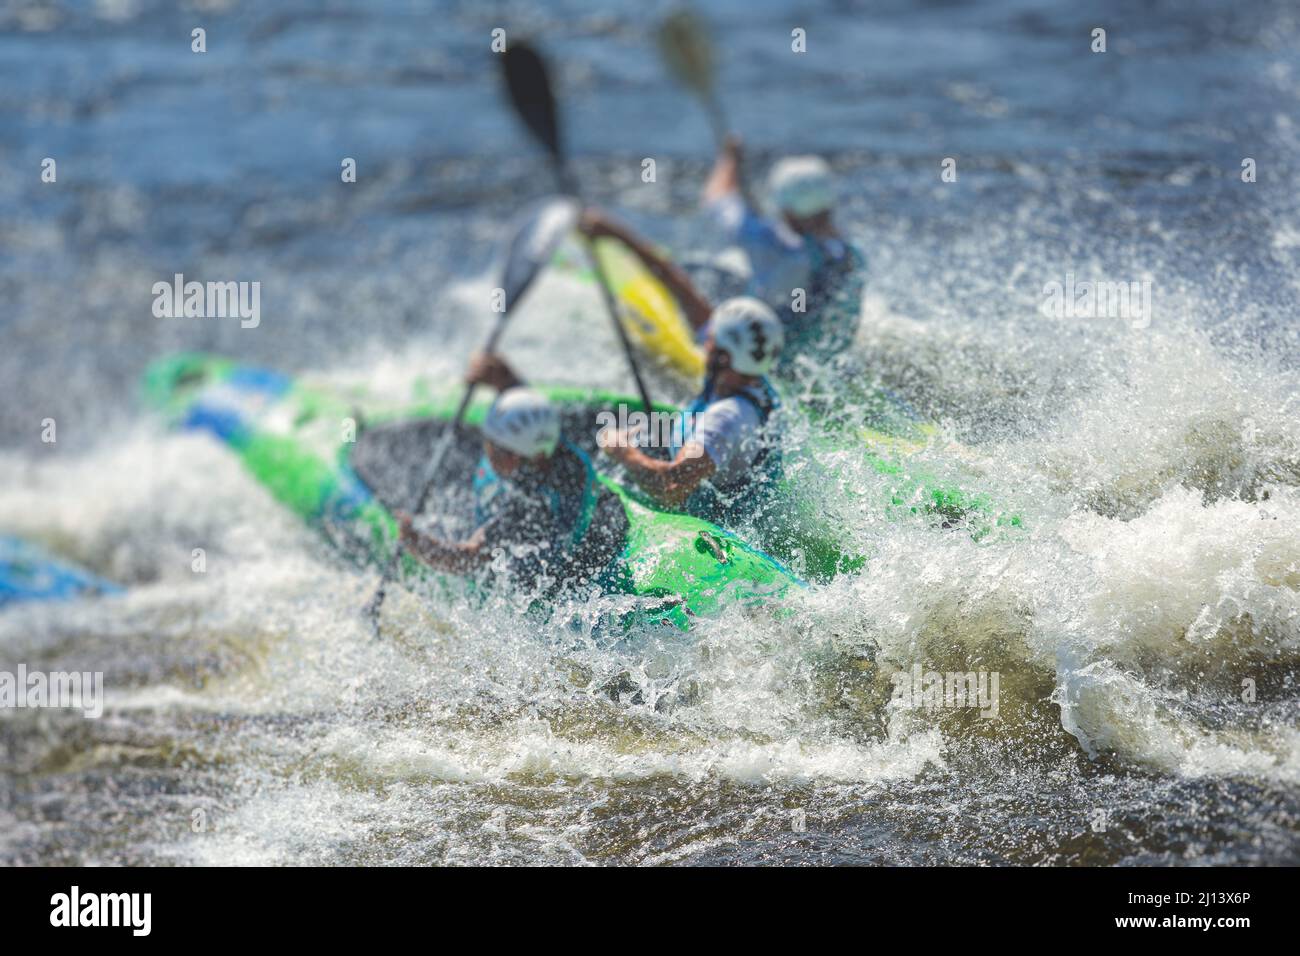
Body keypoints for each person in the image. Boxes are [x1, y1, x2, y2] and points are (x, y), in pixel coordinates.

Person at [579, 139, 864, 375]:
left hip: (761, 359)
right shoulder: (852, 256)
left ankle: (614, 233)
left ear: (786, 209)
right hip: (815, 363)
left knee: (680, 284)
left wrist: (729, 160)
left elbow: (717, 198)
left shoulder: (767, 242)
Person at [397, 356, 628, 597]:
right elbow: (526, 404)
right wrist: (498, 372)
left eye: (492, 444)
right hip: (594, 510)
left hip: (571, 563)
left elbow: (467, 558)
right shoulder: (546, 442)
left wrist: (417, 543)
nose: (485, 446)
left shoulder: (528, 508)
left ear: (513, 458)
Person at [597, 297, 785, 528]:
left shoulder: (725, 418)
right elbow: (697, 312)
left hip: (720, 526)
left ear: (723, 357)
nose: (704, 343)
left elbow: (671, 488)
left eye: (711, 340)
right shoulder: (748, 373)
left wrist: (623, 452)